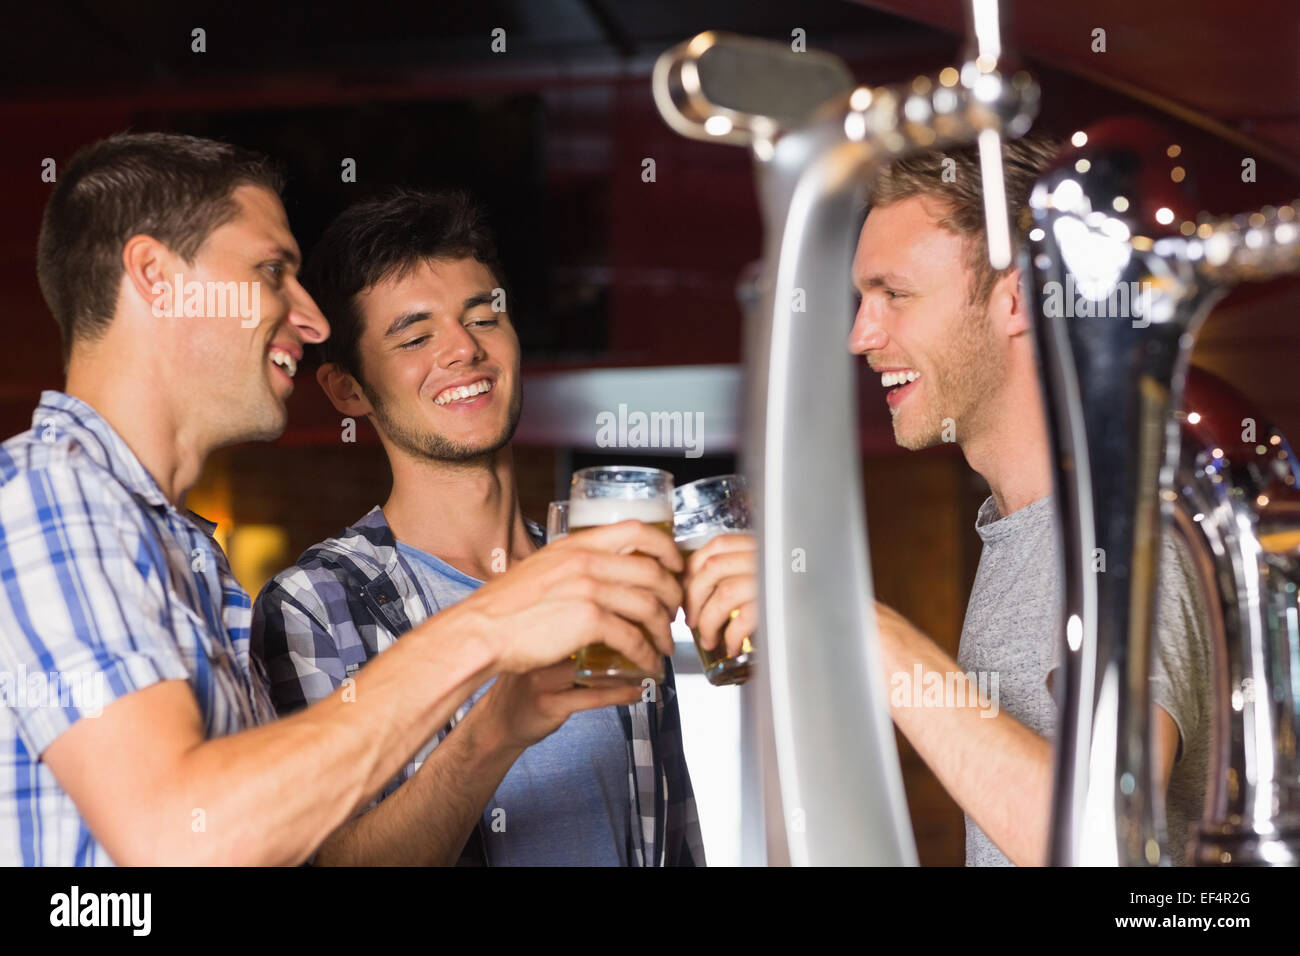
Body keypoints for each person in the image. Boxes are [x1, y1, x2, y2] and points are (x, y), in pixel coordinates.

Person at [0, 133, 681, 866]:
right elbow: (177, 835)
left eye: (482, 316)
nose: (312, 321)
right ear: (156, 277)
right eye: (272, 272)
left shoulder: (183, 548)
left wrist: (496, 724)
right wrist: (491, 623)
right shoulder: (48, 492)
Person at [684, 136, 1211, 866]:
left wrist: (849, 620)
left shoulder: (1130, 527)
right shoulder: (1021, 532)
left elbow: (1103, 846)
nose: (859, 336)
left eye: (893, 295)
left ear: (1018, 297)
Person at [252, 188, 703, 866]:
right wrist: (498, 730)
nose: (463, 349)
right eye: (414, 336)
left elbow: (673, 838)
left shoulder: (599, 574)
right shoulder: (314, 604)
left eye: (484, 317)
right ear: (348, 390)